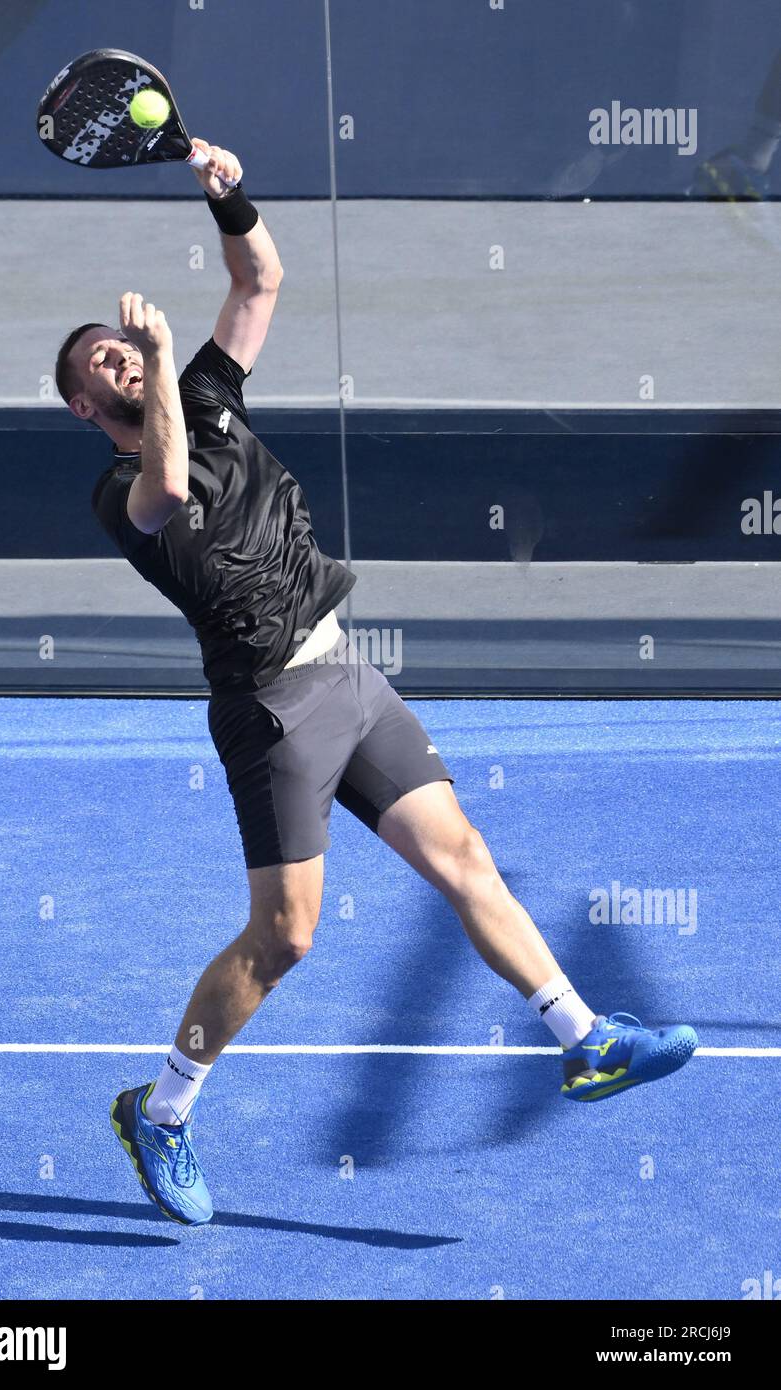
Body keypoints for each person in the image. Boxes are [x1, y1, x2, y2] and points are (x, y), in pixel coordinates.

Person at [54, 140, 698, 1227]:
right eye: (97, 367)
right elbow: (168, 480)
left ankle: (582, 1041)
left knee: (463, 857)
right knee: (286, 937)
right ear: (82, 408)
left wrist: (228, 197)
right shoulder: (121, 492)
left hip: (345, 674)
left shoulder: (206, 393)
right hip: (270, 716)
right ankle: (159, 1110)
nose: (117, 360)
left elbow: (258, 281)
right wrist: (162, 364)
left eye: (119, 348)